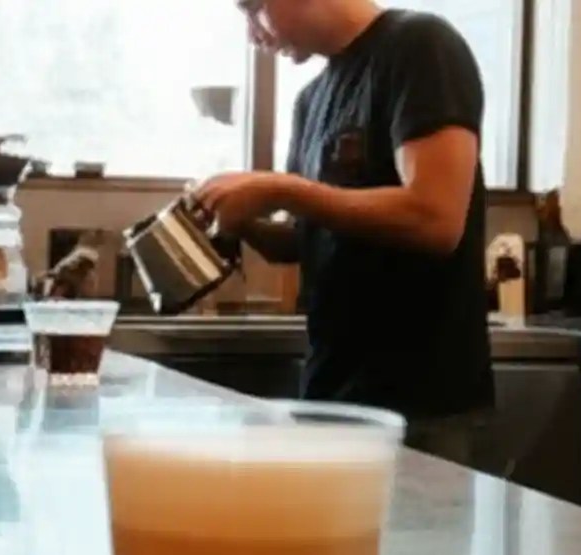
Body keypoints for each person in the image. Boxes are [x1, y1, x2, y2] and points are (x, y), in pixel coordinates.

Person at [194, 0, 493, 465]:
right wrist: (241, 217)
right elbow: (305, 237)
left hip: (419, 406)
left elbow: (436, 217)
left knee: (416, 541)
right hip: (331, 398)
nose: (254, 34)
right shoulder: (311, 101)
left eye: (255, 10)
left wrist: (281, 188)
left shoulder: (421, 46)